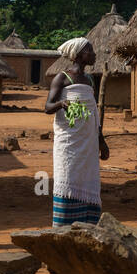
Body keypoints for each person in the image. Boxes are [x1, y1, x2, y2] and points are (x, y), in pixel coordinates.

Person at [46, 37, 106, 225]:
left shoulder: (89, 80)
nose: (94, 54)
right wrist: (61, 103)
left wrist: (101, 140)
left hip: (88, 143)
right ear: (79, 55)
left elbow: (94, 113)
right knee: (68, 178)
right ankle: (63, 228)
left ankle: (87, 227)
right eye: (90, 51)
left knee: (88, 179)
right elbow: (47, 107)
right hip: (69, 143)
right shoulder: (62, 77)